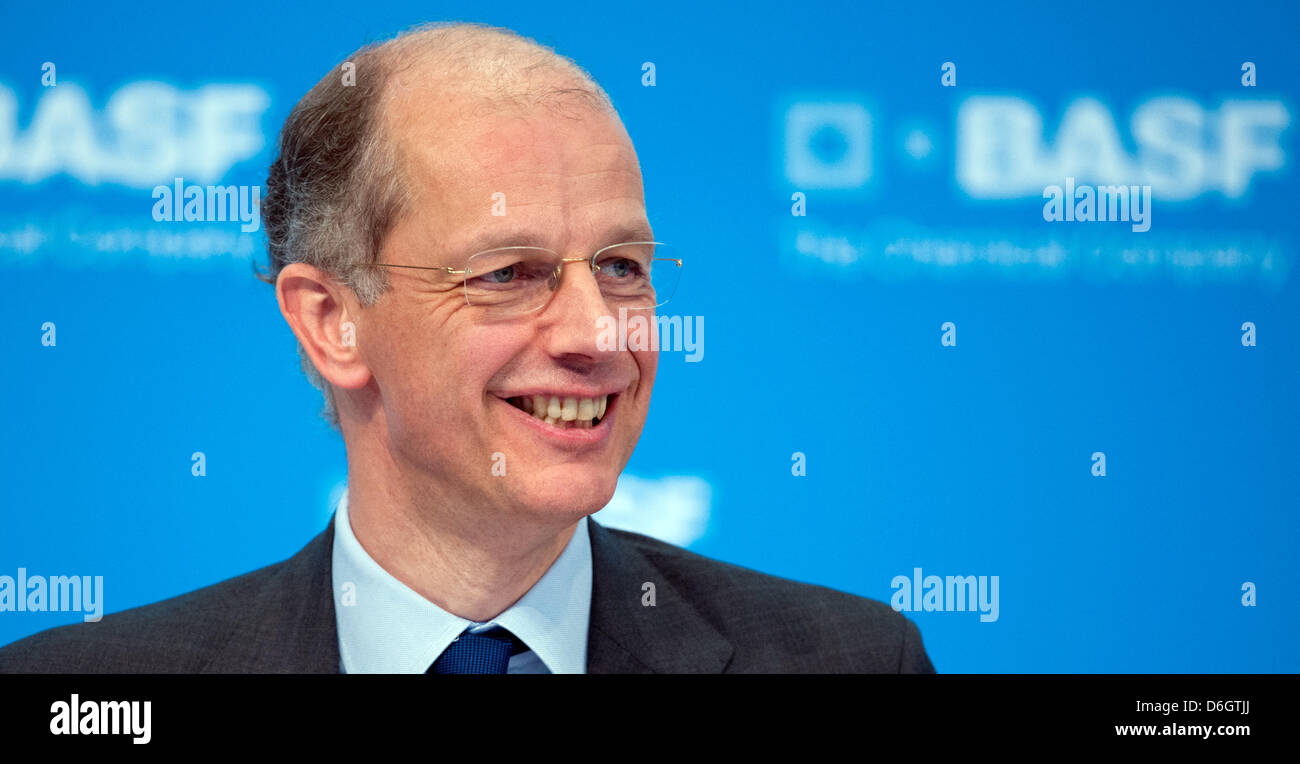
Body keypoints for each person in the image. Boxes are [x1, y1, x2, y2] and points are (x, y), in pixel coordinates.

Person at [0, 21, 934, 674]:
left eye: (620, 265)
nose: (597, 332)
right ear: (334, 321)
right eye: (509, 273)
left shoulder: (847, 660)